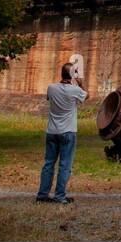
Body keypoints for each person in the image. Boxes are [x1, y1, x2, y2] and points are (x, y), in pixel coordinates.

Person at [36, 61, 87, 204]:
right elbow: (86, 96)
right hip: (68, 131)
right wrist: (80, 83)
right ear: (72, 76)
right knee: (65, 165)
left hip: (52, 131)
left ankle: (42, 194)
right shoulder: (75, 90)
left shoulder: (51, 88)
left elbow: (48, 98)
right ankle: (59, 196)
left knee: (49, 163)